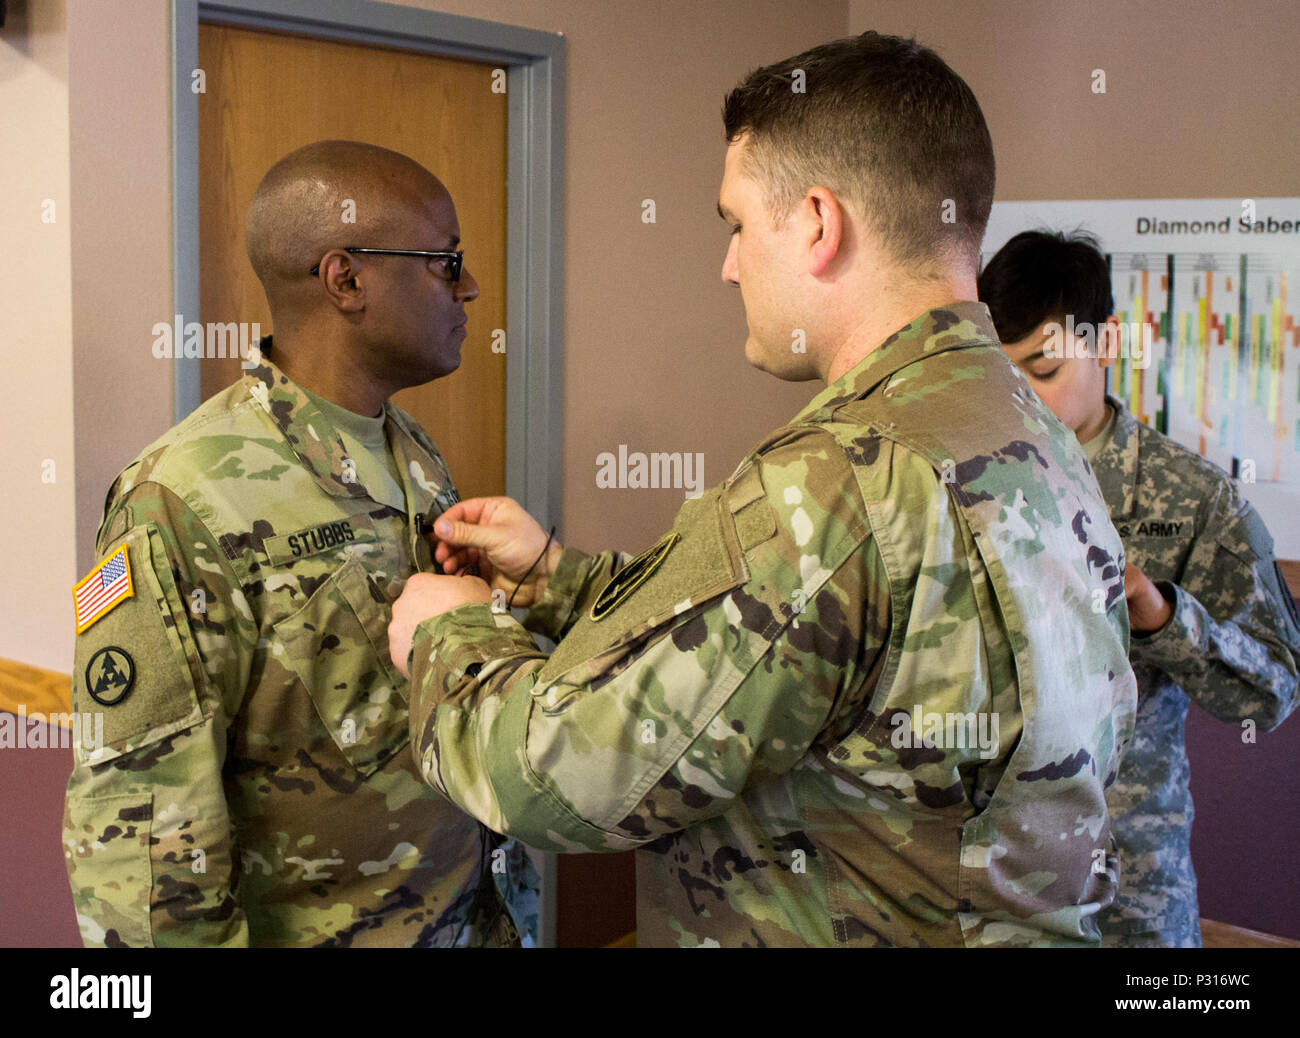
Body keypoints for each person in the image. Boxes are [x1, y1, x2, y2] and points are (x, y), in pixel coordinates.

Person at [389, 33, 1137, 947]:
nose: (729, 265)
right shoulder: (1026, 425)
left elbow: (562, 780)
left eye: (737, 225)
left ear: (819, 224)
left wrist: (451, 634)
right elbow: (794, 641)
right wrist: (552, 575)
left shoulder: (843, 479)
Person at [64, 140, 538, 947]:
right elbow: (141, 859)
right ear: (345, 279)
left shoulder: (411, 449)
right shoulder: (180, 499)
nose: (469, 287)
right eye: (446, 261)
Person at [979, 229, 1300, 947]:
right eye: (1002, 376)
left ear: (1108, 342)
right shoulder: (964, 484)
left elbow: (1274, 689)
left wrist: (1163, 621)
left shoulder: (1193, 499)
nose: (1022, 399)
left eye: (1045, 369)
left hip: (1130, 879)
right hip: (992, 878)